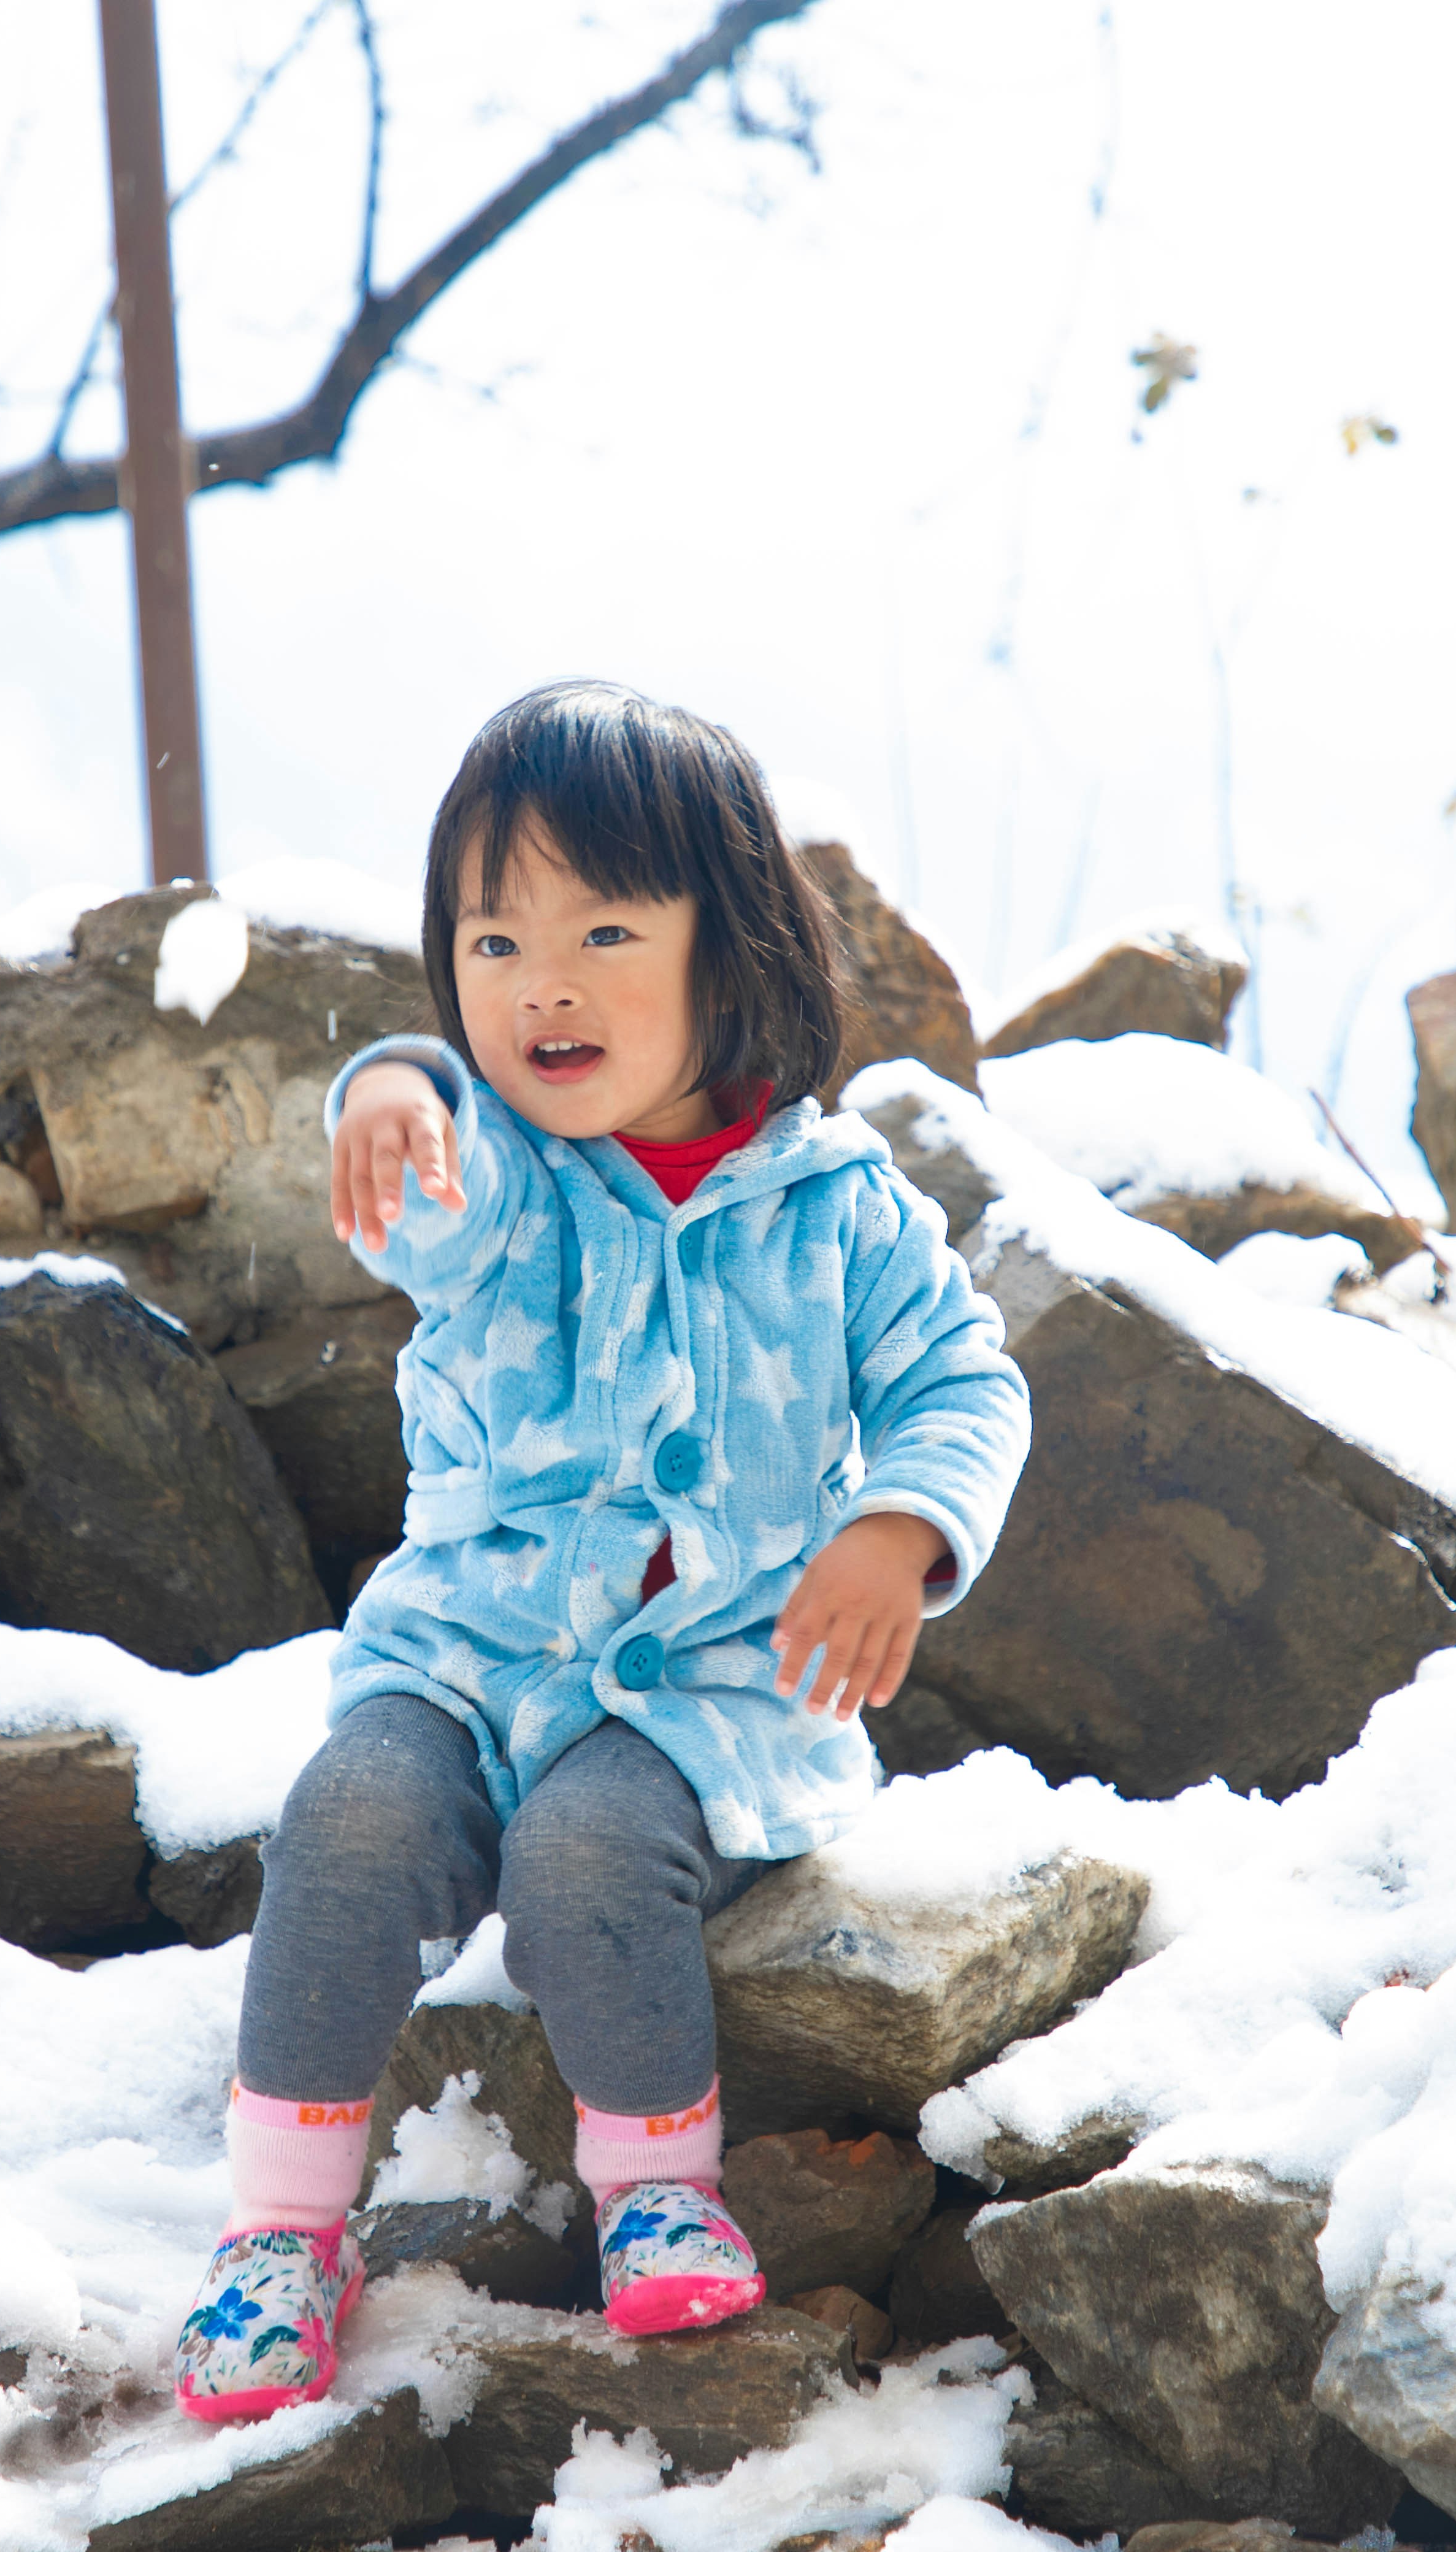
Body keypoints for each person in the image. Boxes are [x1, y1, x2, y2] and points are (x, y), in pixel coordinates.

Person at [174, 680, 1033, 2422]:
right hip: (466, 1659)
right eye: (493, 942)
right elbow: (429, 1184)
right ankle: (279, 2232)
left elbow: (960, 1379)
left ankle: (659, 2191)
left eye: (605, 928)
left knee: (586, 1851)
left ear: (735, 953)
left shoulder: (838, 1207)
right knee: (349, 1818)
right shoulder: (500, 1167)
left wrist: (896, 1526)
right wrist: (397, 1085)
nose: (542, 982)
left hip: (711, 1691)